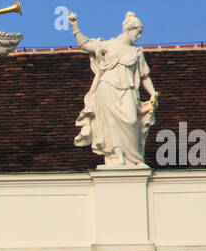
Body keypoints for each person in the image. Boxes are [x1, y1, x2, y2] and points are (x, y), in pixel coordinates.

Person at [67, 11, 158, 166]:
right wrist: (75, 27)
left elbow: (145, 76)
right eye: (138, 32)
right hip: (108, 87)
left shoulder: (137, 52)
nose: (139, 36)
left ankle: (134, 159)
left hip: (128, 90)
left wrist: (153, 93)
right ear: (129, 30)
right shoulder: (109, 45)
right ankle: (118, 157)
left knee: (131, 121)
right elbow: (84, 45)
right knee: (111, 123)